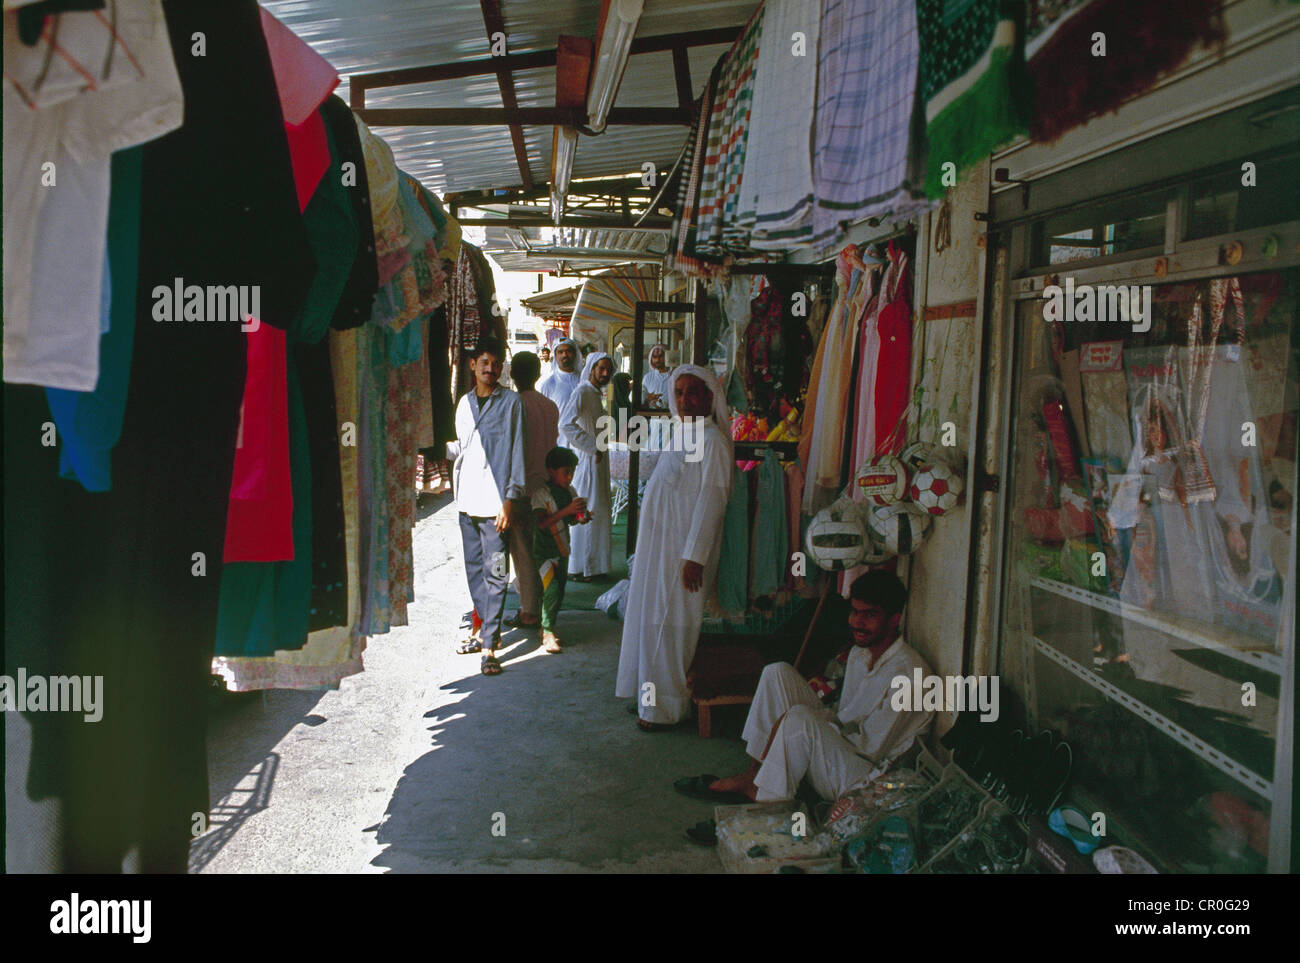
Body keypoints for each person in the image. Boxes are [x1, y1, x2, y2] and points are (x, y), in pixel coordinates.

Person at [679, 571, 934, 804]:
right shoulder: (859, 655)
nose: (857, 622)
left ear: (894, 620)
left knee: (798, 721)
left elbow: (870, 750)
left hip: (869, 781)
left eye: (870, 615)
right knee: (777, 673)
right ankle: (754, 775)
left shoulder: (910, 677)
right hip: (845, 750)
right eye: (855, 612)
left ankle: (767, 805)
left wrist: (805, 721)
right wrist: (812, 721)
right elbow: (843, 715)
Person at [616, 365, 733, 731]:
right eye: (679, 393)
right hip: (661, 549)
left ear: (709, 397)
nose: (684, 400)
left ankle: (664, 710)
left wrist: (694, 556)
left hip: (683, 554)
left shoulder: (712, 441)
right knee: (653, 623)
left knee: (670, 627)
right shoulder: (685, 433)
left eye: (693, 393)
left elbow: (712, 500)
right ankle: (648, 698)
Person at [446, 337, 525, 677]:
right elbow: (461, 451)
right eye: (484, 363)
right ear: (473, 366)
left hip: (496, 506)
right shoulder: (463, 404)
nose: (490, 369)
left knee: (496, 573)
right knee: (475, 573)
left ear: (502, 367)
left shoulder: (511, 403)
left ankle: (490, 645)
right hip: (467, 502)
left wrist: (509, 500)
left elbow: (517, 452)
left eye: (496, 363)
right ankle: (487, 627)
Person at [502, 351, 555, 631]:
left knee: (523, 554)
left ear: (512, 374)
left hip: (522, 488)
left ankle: (529, 612)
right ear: (537, 375)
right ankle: (540, 607)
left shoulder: (513, 405)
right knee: (539, 552)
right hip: (544, 487)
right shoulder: (549, 405)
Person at [560, 351, 614, 582]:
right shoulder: (582, 391)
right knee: (587, 510)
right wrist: (592, 447)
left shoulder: (595, 393)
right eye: (600, 368)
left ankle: (592, 567)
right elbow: (565, 425)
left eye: (607, 369)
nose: (604, 373)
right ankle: (582, 568)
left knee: (598, 510)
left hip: (598, 460)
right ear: (591, 368)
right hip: (587, 461)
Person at [531, 446, 589, 654]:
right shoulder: (541, 494)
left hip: (563, 550)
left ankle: (545, 626)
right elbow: (542, 524)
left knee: (559, 590)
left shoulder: (570, 492)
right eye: (566, 472)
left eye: (572, 472)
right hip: (543, 553)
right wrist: (568, 510)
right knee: (552, 588)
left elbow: (570, 521)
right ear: (551, 471)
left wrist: (581, 516)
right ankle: (547, 632)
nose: (570, 477)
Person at [538, 338, 582, 439]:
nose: (564, 355)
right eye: (560, 352)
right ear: (556, 356)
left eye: (568, 351)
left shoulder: (584, 380)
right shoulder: (549, 383)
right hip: (559, 441)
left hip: (582, 443)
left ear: (575, 354)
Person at [642, 344, 673, 450]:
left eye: (661, 356)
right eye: (655, 357)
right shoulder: (648, 378)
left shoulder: (674, 375)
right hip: (654, 421)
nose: (658, 359)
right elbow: (642, 401)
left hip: (672, 420)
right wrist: (648, 400)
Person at [611, 371, 634, 444]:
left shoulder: (625, 404)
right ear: (621, 385)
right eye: (628, 383)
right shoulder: (619, 408)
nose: (631, 387)